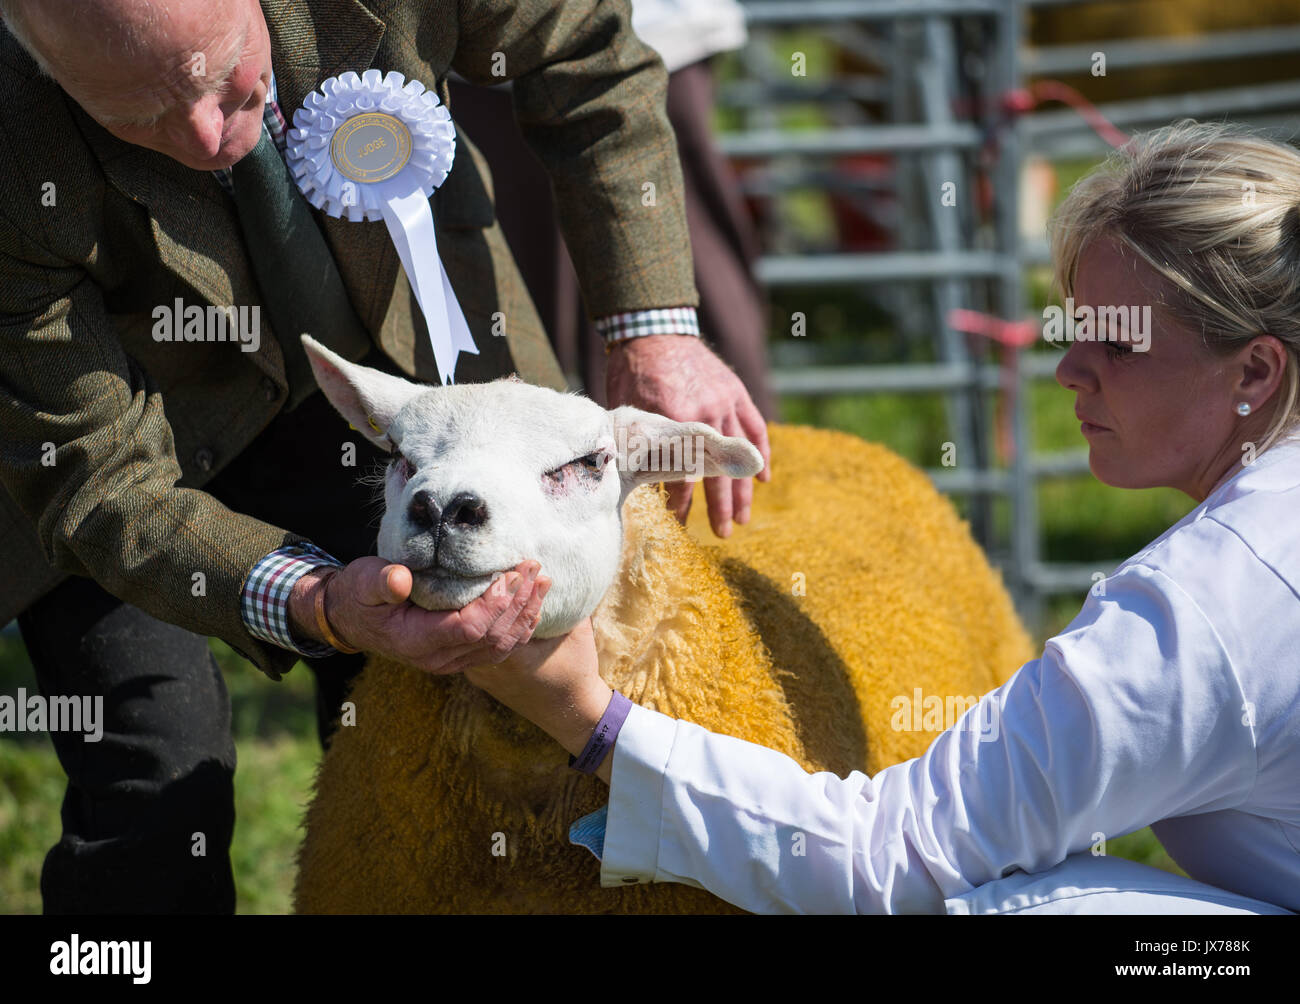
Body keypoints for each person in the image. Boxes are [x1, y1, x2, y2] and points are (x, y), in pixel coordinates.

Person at [0, 0, 769, 913]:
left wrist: (654, 330)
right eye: (136, 115)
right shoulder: (14, 152)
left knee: (446, 748)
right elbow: (97, 480)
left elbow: (590, 51)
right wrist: (318, 601)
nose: (208, 135)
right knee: (154, 783)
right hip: (138, 448)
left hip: (419, 414)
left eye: (226, 77)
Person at [460, 121, 1300, 914]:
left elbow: (889, 856)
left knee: (1024, 906)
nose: (1069, 372)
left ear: (1255, 372)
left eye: (1119, 345)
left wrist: (584, 713)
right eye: (1076, 331)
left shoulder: (1201, 610)